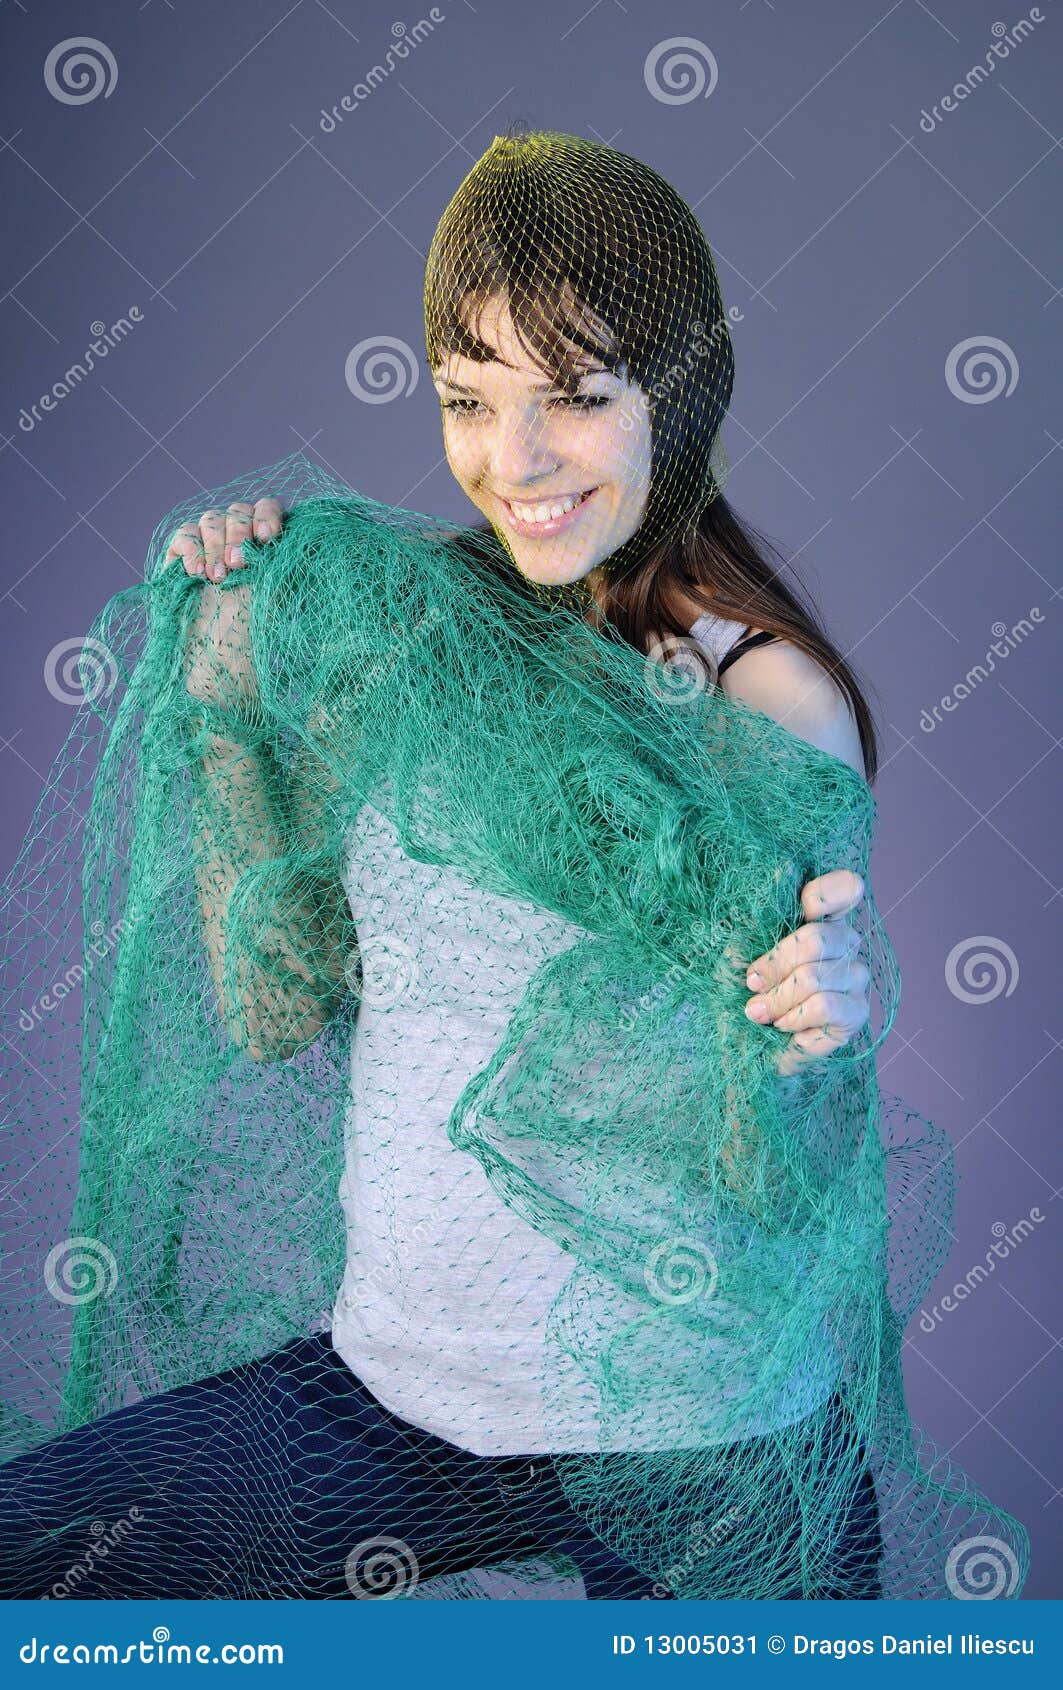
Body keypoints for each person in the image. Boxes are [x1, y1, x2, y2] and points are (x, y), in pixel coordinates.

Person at [0, 129, 1027, 1603]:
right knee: (41, 1566)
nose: (517, 462)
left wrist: (821, 1035)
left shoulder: (765, 699)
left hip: (700, 1434)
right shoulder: (416, 642)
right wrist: (228, 689)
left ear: (679, 390)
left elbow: (773, 1170)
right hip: (400, 1395)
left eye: (577, 398)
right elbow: (278, 1006)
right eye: (468, 403)